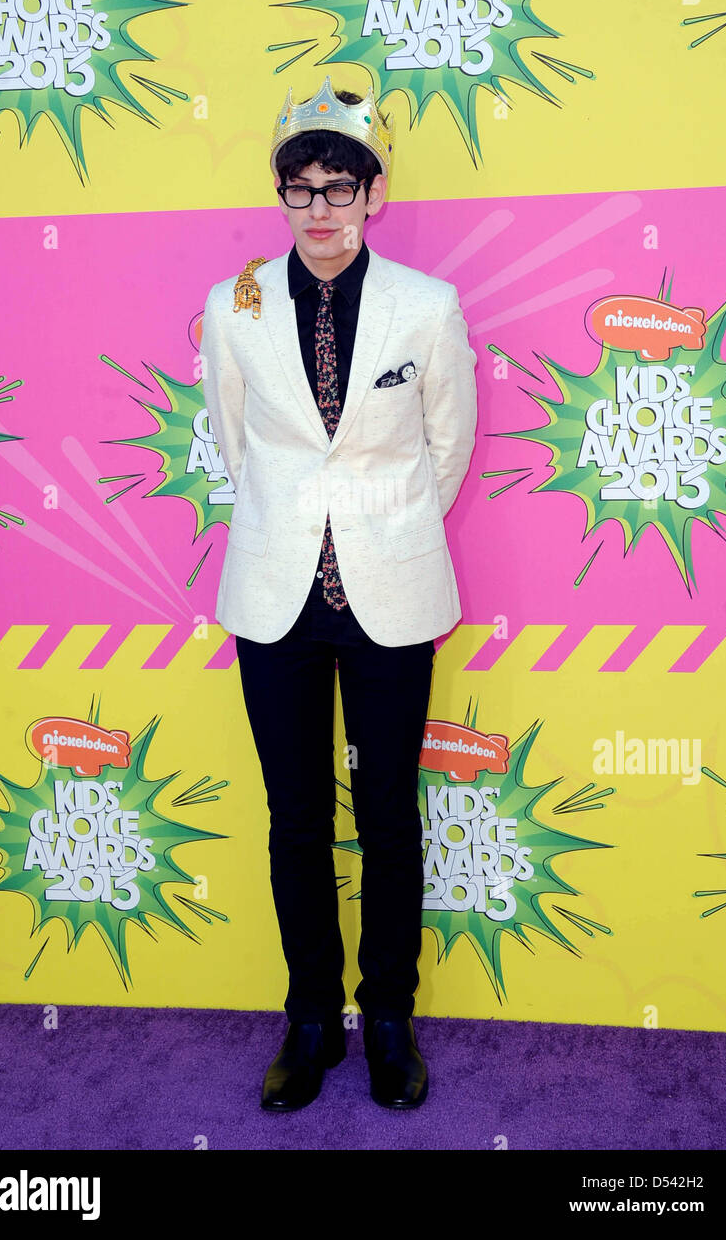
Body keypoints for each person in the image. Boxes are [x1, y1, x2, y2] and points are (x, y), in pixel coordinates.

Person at [200, 75, 478, 1111]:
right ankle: (311, 1019)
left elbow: (446, 445)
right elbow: (236, 444)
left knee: (389, 813)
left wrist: (381, 524)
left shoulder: (426, 306)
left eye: (338, 189)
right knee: (294, 816)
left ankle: (390, 1020)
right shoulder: (232, 307)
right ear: (281, 197)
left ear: (374, 194)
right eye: (300, 190)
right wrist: (298, 518)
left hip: (390, 597)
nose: (319, 210)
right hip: (275, 597)